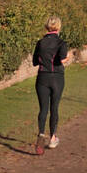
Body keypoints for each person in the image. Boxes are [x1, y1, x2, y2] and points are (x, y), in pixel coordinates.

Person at [32, 15, 69, 155]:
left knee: (43, 109)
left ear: (46, 27)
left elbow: (35, 62)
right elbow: (61, 59)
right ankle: (53, 138)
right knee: (54, 108)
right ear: (58, 27)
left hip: (42, 78)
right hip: (57, 78)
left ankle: (41, 135)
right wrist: (67, 57)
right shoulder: (61, 43)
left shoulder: (40, 43)